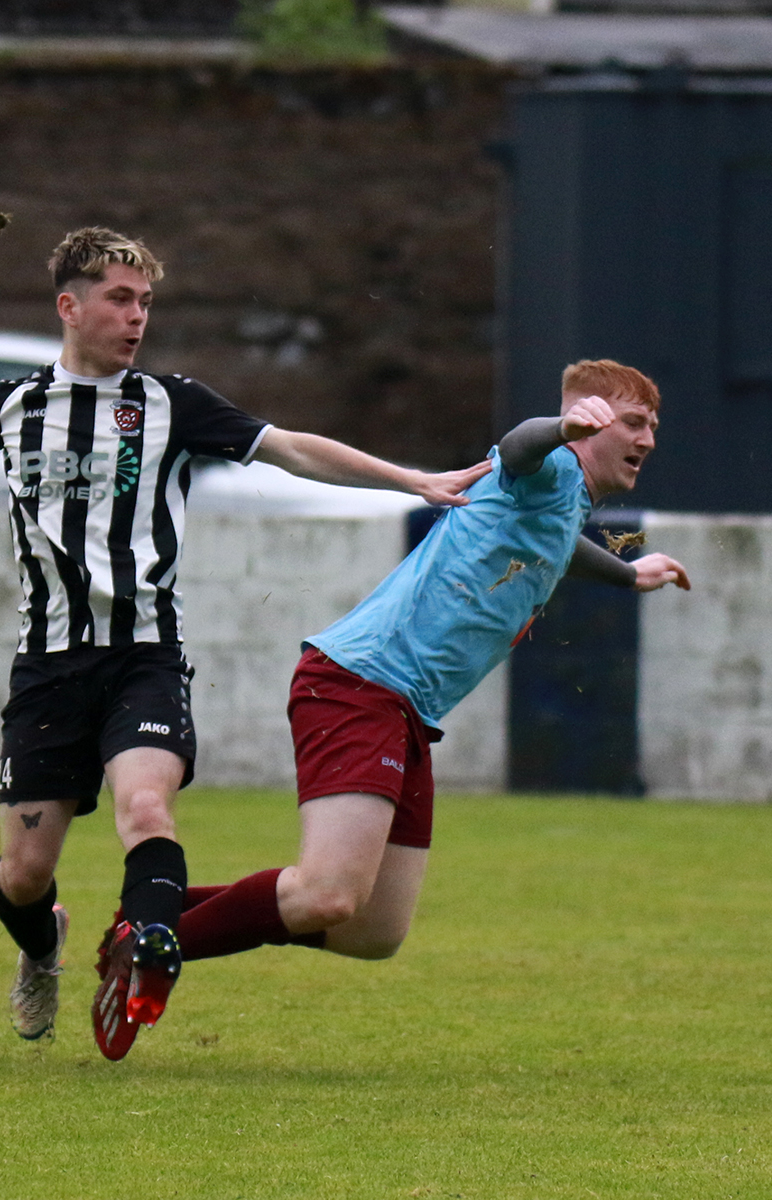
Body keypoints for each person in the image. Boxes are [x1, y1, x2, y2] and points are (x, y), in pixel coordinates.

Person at [0, 227, 490, 1061]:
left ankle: (148, 945)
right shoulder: (10, 407)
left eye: (145, 302)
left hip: (146, 655)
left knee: (147, 807)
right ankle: (43, 945)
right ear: (70, 306)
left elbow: (290, 448)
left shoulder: (174, 403)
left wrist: (410, 479)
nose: (136, 316)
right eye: (119, 298)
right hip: (49, 667)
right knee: (24, 876)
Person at [104, 358, 689, 1010]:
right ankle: (149, 945)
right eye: (634, 422)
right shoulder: (549, 466)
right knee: (327, 894)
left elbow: (560, 546)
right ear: (588, 425)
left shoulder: (560, 503)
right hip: (361, 684)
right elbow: (522, 444)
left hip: (404, 709)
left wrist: (628, 575)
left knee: (371, 930)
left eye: (654, 427)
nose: (648, 440)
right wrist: (559, 426)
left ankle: (154, 917)